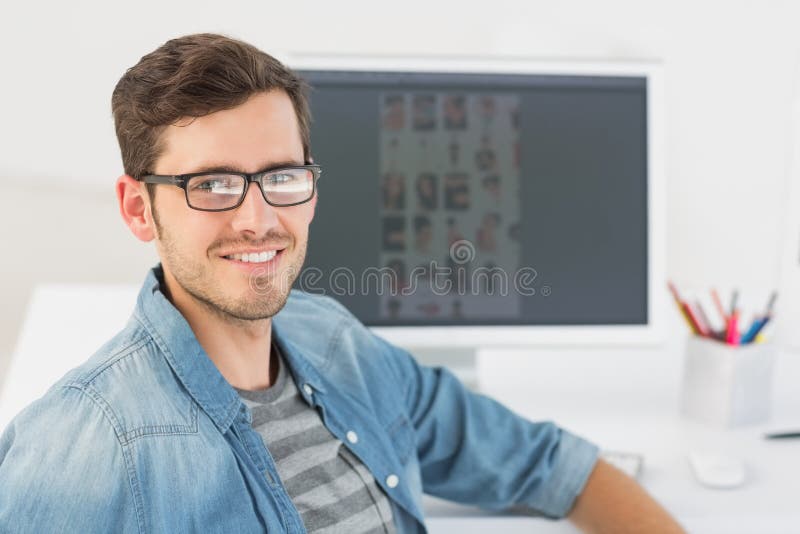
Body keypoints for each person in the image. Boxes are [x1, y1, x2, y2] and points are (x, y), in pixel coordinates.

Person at [0, 33, 685, 533]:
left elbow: (552, 465)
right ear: (136, 208)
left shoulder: (334, 341)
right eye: (211, 184)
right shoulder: (81, 453)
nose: (258, 219)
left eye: (281, 177)